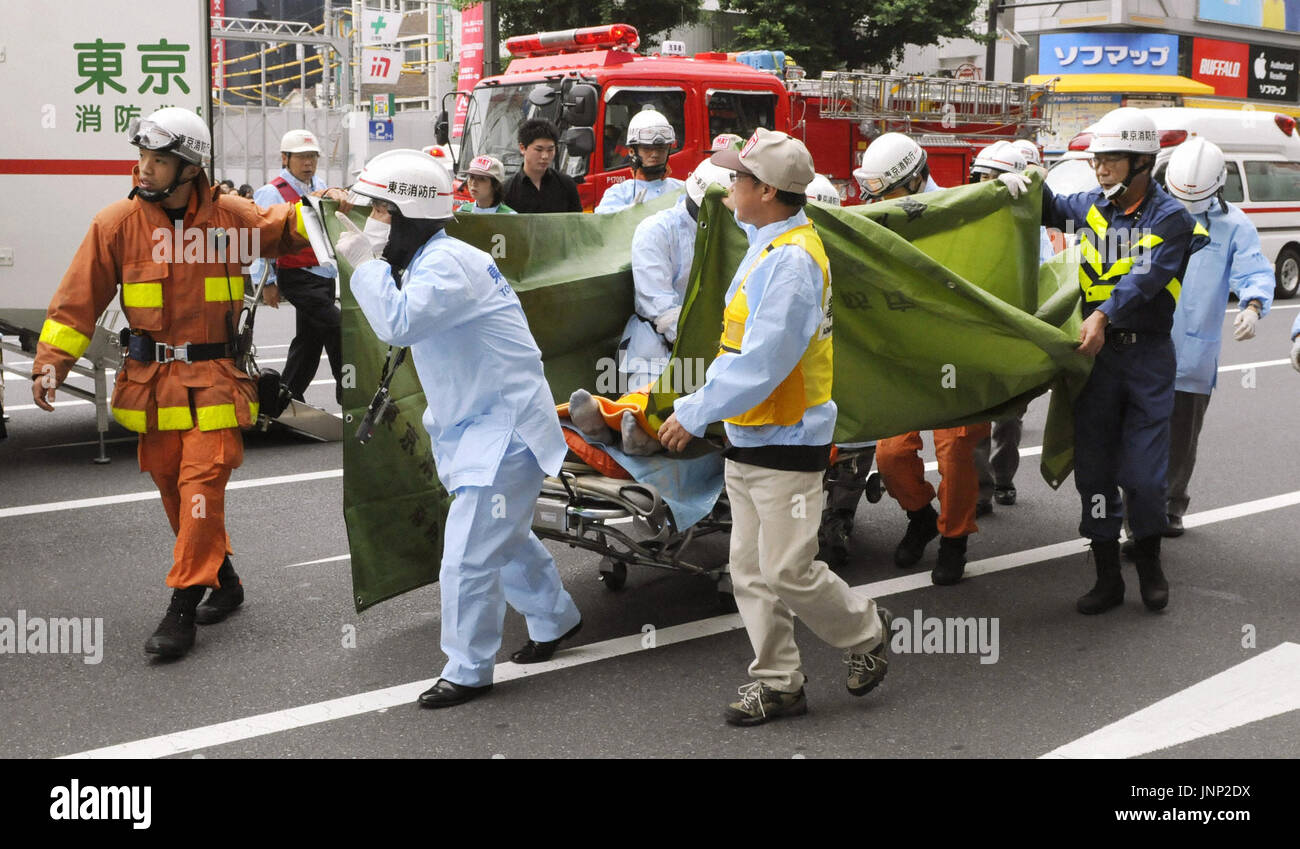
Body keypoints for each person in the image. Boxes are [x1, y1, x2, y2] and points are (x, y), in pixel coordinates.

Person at [29, 108, 349, 658]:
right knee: (176, 492)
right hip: (151, 386)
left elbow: (291, 227)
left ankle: (181, 608)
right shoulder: (116, 225)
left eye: (158, 160)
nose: (144, 169)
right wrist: (51, 360)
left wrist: (338, 204)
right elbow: (76, 301)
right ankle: (223, 579)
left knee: (201, 489)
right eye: (143, 158)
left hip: (218, 380)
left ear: (190, 166)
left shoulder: (232, 218)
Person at [657, 128, 892, 727]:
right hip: (753, 433)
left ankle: (866, 631)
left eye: (737, 177)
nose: (728, 184)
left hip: (787, 437)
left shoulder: (789, 261)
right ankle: (779, 682)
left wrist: (693, 411)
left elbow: (762, 364)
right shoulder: (767, 242)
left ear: (765, 189)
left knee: (786, 568)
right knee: (751, 571)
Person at [340, 149, 583, 709]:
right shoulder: (435, 258)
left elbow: (398, 322)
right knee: (506, 535)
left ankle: (468, 668)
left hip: (504, 430)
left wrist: (364, 262)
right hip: (482, 424)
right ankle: (554, 620)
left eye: (379, 210)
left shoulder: (446, 265)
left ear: (407, 214)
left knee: (468, 555)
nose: (373, 221)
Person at [1002, 106, 1208, 614]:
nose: (1100, 170)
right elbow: (1050, 209)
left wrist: (1103, 316)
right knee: (1093, 474)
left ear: (1142, 162)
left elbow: (1145, 276)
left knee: (1142, 475)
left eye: (1111, 161)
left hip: (1147, 360)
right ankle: (1106, 575)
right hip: (1097, 364)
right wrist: (1021, 182)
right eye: (1097, 162)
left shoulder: (1173, 218)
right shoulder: (1093, 206)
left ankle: (1151, 563)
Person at [853, 132, 991, 586]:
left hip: (960, 355)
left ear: (912, 182)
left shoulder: (965, 214)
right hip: (906, 356)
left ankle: (954, 540)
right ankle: (921, 516)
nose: (876, 202)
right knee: (890, 453)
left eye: (884, 191)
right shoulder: (880, 216)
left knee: (956, 454)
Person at [1158, 137, 1274, 535]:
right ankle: (1135, 509)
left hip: (1193, 352)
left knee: (1182, 436)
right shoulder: (1149, 212)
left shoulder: (1234, 225)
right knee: (1135, 432)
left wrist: (1252, 306)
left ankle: (1172, 504)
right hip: (1141, 347)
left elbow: (1254, 271)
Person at [969, 140, 1044, 517]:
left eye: (993, 177)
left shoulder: (1032, 223)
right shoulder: (967, 216)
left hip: (1014, 333)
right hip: (977, 331)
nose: (985, 183)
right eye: (981, 176)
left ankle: (1003, 477)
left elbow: (1043, 272)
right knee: (974, 416)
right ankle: (980, 490)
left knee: (1009, 418)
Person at [614, 157, 732, 393]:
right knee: (645, 411)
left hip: (716, 342)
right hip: (653, 347)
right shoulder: (657, 231)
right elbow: (660, 306)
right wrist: (704, 342)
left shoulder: (730, 232)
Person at [250, 129, 343, 404]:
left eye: (313, 157)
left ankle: (286, 396)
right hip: (297, 275)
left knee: (309, 342)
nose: (308, 164)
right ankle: (348, 393)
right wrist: (266, 283)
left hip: (324, 275)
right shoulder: (271, 192)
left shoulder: (321, 185)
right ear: (285, 158)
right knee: (338, 327)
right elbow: (259, 240)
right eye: (302, 158)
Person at [594, 108, 684, 214]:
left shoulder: (683, 190)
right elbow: (602, 220)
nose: (655, 154)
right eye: (647, 148)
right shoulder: (619, 193)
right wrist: (628, 213)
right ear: (632, 151)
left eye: (661, 148)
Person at [501, 119, 582, 214]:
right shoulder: (506, 190)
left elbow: (577, 223)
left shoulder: (566, 184)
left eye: (550, 150)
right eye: (539, 150)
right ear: (522, 148)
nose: (545, 156)